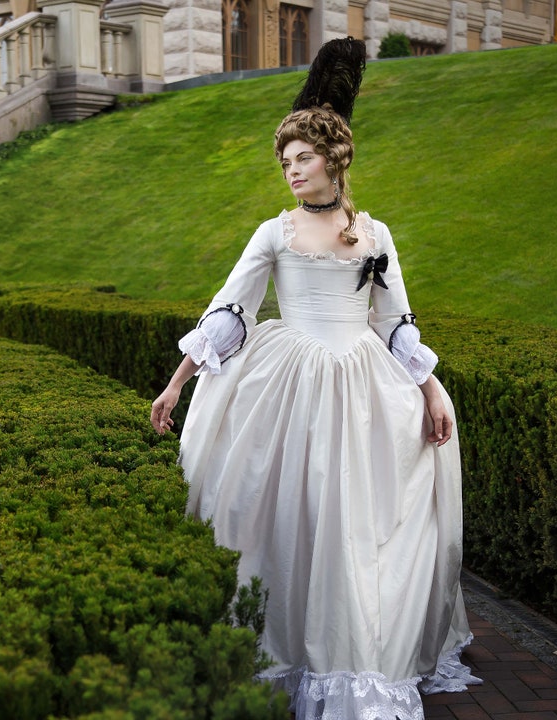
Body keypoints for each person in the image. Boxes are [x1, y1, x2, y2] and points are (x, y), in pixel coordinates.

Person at [150, 37, 480, 720]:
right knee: (288, 516)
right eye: (286, 161)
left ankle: (351, 658)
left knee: (352, 521)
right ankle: (280, 649)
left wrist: (432, 387)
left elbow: (396, 324)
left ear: (336, 159)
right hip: (289, 385)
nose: (292, 171)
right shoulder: (274, 233)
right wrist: (179, 382)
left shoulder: (376, 235)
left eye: (303, 159)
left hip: (363, 390)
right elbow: (229, 312)